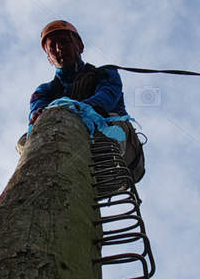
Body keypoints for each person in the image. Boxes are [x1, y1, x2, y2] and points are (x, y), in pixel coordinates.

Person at [22, 20, 145, 181]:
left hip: (123, 153)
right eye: (53, 47)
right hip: (68, 147)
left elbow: (106, 97)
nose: (59, 49)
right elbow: (37, 112)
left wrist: (76, 109)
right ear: (49, 59)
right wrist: (43, 118)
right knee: (25, 140)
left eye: (65, 42)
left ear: (80, 46)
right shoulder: (44, 91)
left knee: (114, 125)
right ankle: (38, 174)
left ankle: (104, 165)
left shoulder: (105, 73)